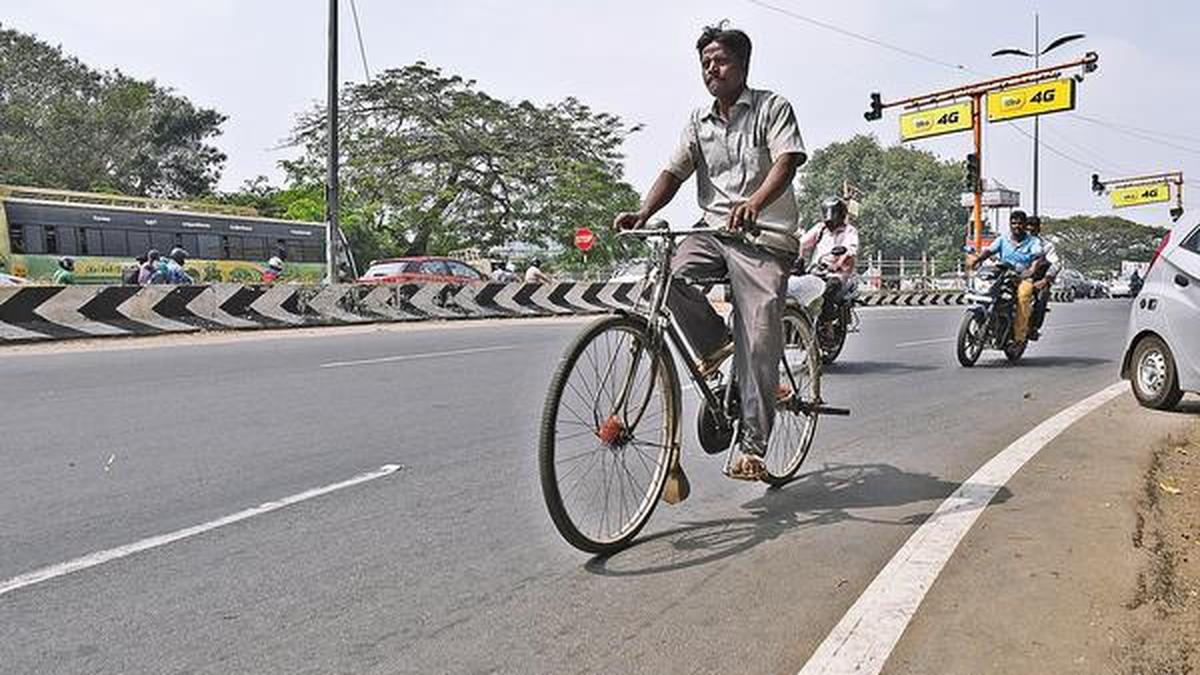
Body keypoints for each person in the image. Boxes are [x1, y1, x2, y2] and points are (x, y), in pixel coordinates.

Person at [612, 24, 806, 481]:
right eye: (704, 64)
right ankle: (718, 345)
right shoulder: (697, 122)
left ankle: (753, 446)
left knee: (759, 336)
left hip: (765, 239)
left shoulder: (770, 107)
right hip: (715, 232)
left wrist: (754, 204)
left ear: (743, 65)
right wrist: (641, 213)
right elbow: (673, 173)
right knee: (667, 274)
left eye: (719, 61)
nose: (710, 70)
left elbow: (788, 160)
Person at [968, 210, 1044, 347]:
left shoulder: (1033, 241)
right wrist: (977, 260)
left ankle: (1019, 338)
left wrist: (1031, 270)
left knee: (1024, 296)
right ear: (1010, 224)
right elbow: (989, 251)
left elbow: (1038, 257)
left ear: (1025, 225)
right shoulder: (1003, 239)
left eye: (1020, 223)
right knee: (984, 291)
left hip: (1022, 276)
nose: (1016, 226)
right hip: (1002, 273)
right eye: (1013, 223)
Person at [793, 197, 860, 318]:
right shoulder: (820, 228)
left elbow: (850, 251)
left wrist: (837, 264)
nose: (830, 222)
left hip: (838, 274)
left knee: (828, 291)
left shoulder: (849, 231)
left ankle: (828, 323)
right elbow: (802, 243)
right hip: (817, 270)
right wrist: (799, 259)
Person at [1025, 216, 1060, 340]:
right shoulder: (1012, 242)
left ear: (1038, 229)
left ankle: (1033, 327)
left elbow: (1056, 264)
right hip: (1016, 277)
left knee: (1041, 296)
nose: (1029, 232)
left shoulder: (1046, 245)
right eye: (1026, 229)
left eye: (1032, 230)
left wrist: (1045, 280)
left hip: (1037, 279)